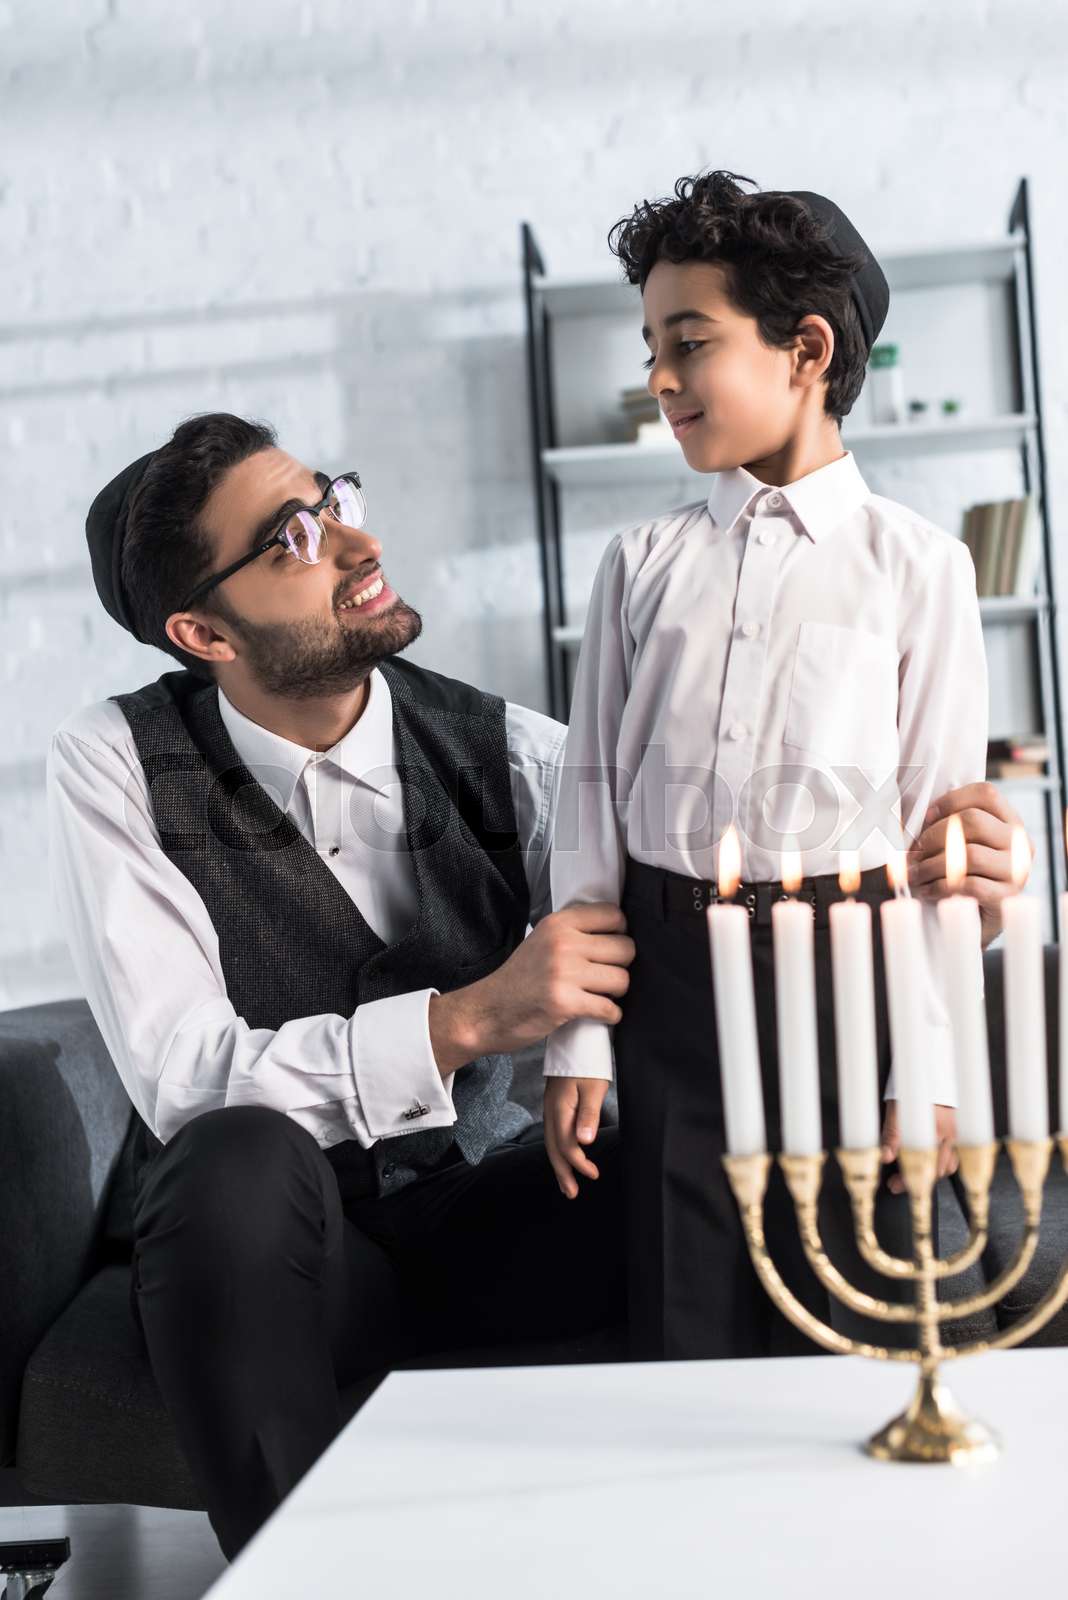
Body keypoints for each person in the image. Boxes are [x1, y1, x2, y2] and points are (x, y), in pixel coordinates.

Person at [48, 408, 1031, 1558]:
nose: (360, 545)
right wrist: (469, 1018)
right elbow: (184, 1078)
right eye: (293, 539)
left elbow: (724, 901)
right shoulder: (117, 763)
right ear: (202, 631)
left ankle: (825, 1551)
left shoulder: (515, 748)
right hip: (284, 1253)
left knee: (746, 1160)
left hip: (499, 1214)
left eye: (337, 500)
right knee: (229, 1158)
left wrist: (942, 896)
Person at [541, 169, 1005, 1362]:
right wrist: (578, 1036)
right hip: (669, 990)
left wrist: (926, 1065)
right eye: (652, 348)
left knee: (859, 1327)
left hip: (853, 980)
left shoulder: (920, 568)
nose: (660, 378)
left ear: (806, 349)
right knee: (683, 1320)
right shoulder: (638, 564)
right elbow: (587, 810)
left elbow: (939, 847)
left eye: (688, 343)